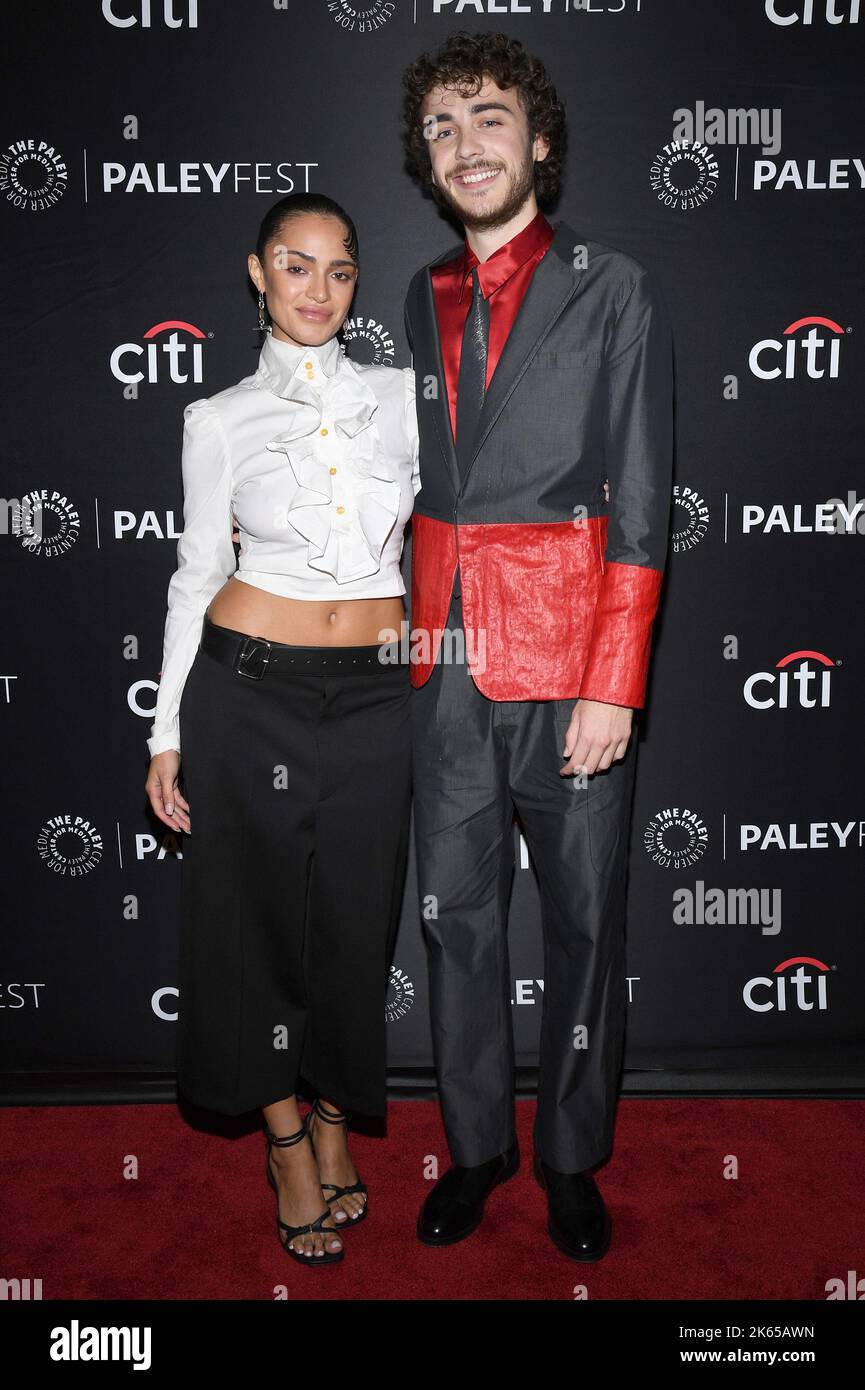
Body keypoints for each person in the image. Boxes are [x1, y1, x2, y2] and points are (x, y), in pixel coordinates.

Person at [401, 31, 674, 1260]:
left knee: (579, 920)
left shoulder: (611, 286)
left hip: (570, 660)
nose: (468, 144)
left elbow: (641, 500)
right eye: (444, 126)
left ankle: (567, 1154)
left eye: (490, 119)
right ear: (427, 155)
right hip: (441, 658)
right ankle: (475, 1148)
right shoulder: (417, 293)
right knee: (455, 921)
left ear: (538, 140)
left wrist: (613, 684)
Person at [144, 193, 420, 1265]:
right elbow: (195, 576)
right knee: (250, 925)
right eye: (295, 267)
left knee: (359, 919)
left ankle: (342, 1112)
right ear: (257, 273)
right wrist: (164, 729)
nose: (318, 290)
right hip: (246, 689)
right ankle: (287, 1140)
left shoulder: (404, 401)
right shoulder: (216, 420)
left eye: (339, 271)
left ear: (356, 284)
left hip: (380, 694)